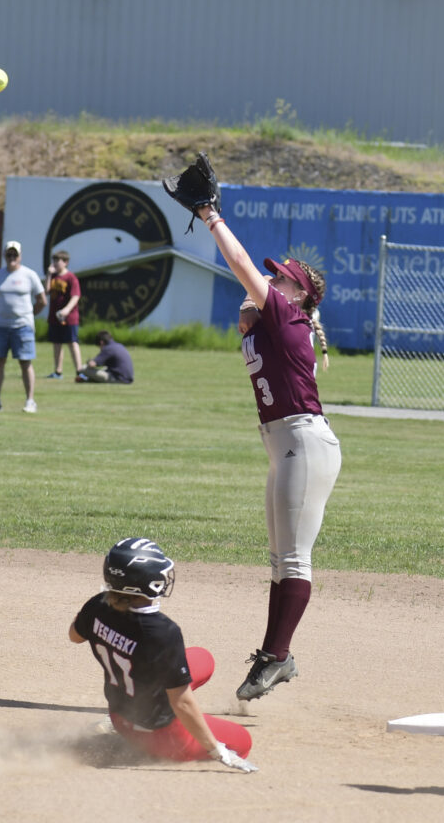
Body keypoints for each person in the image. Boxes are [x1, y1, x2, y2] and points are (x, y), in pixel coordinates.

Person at [196, 194, 342, 702]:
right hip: (285, 447)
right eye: (273, 277)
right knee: (280, 561)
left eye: (280, 278)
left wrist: (210, 216)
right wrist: (246, 321)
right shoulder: (269, 324)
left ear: (298, 296)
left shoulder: (285, 317)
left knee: (295, 560)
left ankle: (277, 657)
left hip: (305, 442)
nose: (271, 281)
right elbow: (245, 327)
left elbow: (238, 264)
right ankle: (273, 655)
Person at [69, 536, 257, 772]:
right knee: (243, 741)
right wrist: (217, 750)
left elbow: (74, 636)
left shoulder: (98, 604)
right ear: (145, 582)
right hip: (163, 736)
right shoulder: (161, 631)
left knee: (203, 659)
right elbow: (182, 703)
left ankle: (129, 731)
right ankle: (133, 749)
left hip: (119, 713)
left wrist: (98, 618)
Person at [0, 241, 47, 413]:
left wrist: (29, 314)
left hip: (22, 326)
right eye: (9, 255)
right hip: (0, 326)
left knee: (25, 362)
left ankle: (30, 401)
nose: (12, 258)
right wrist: (2, 311)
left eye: (15, 255)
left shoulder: (29, 275)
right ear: (4, 256)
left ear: (20, 256)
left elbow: (42, 300)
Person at [44, 249, 83, 380]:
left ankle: (79, 371)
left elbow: (76, 296)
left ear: (65, 262)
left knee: (72, 342)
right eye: (53, 260)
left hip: (69, 317)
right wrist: (49, 275)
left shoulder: (71, 277)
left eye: (57, 260)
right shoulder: (53, 276)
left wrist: (67, 310)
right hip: (55, 316)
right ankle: (58, 371)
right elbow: (46, 291)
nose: (54, 263)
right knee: (56, 343)